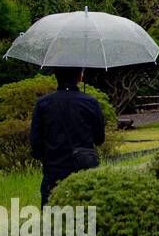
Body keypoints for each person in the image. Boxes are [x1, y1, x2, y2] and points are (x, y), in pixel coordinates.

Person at [28, 67, 106, 205]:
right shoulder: (90, 102)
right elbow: (99, 138)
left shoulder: (43, 104)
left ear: (55, 75)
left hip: (53, 170)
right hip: (84, 169)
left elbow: (35, 143)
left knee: (51, 217)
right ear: (80, 77)